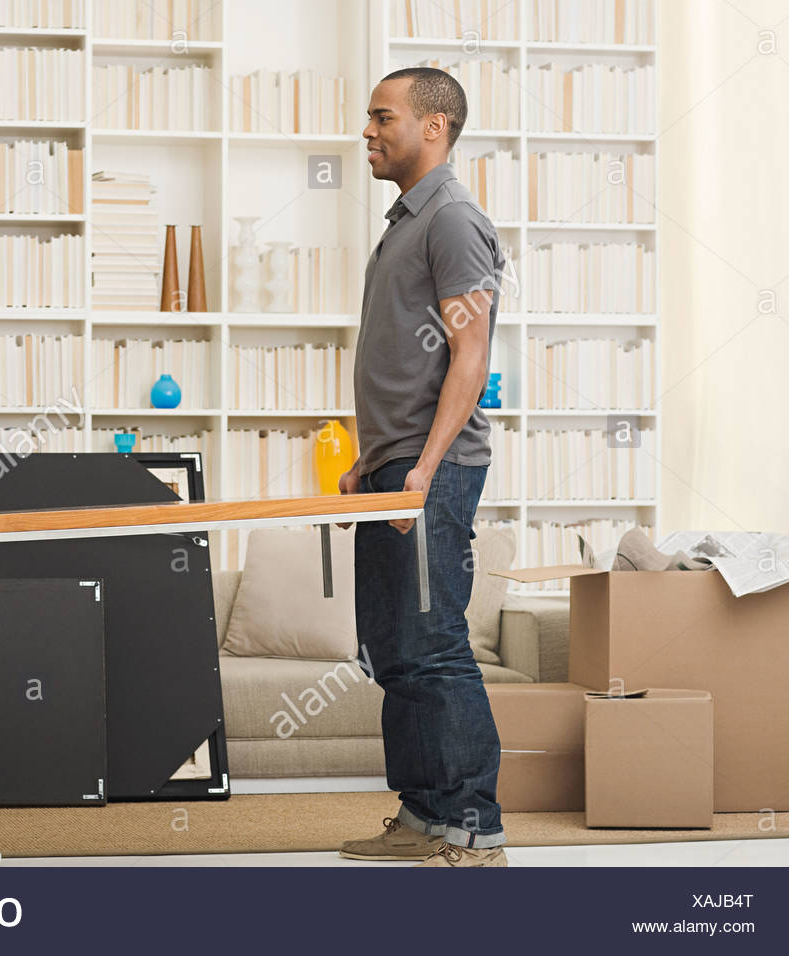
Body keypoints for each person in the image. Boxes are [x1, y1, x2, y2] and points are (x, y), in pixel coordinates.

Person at [337, 67, 508, 867]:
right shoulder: (405, 220)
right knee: (392, 645)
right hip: (392, 464)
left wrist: (422, 469)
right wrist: (373, 461)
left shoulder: (453, 219)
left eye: (382, 117)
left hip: (428, 468)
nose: (368, 131)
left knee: (434, 643)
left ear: (433, 127)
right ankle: (424, 816)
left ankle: (474, 827)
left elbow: (469, 356)